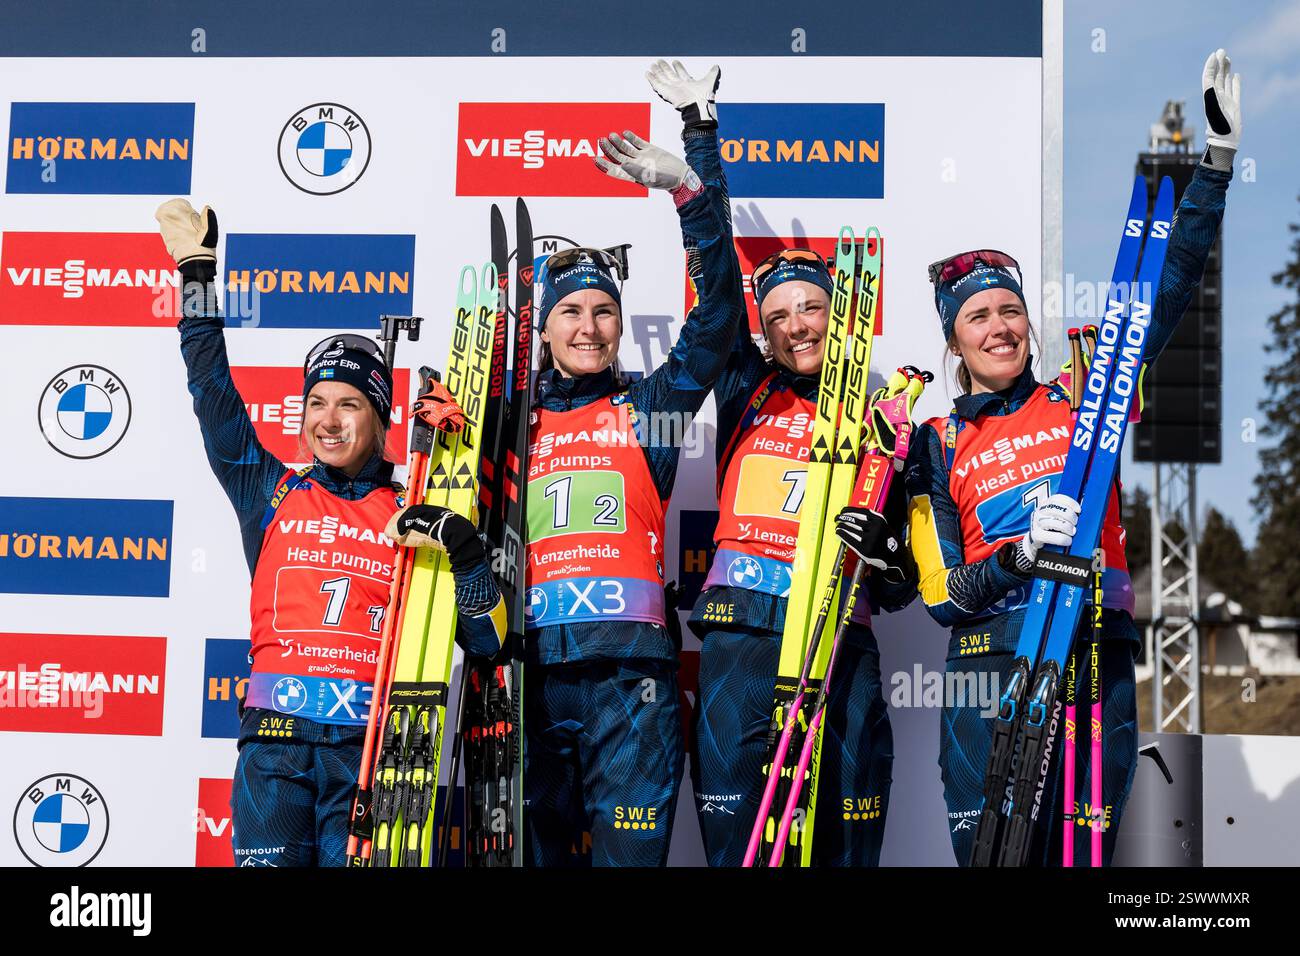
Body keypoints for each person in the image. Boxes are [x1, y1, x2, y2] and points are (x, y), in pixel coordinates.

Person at [903, 49, 1240, 866]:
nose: (1000, 328)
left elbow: (1164, 288)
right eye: (978, 316)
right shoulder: (934, 442)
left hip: (1093, 645)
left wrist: (1217, 165)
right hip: (992, 665)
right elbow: (943, 596)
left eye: (1010, 311)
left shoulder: (1088, 382)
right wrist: (1019, 558)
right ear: (954, 339)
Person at [156, 199, 504, 867]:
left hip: (371, 760)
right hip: (274, 755)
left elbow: (486, 638)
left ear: (381, 419)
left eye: (350, 404)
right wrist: (197, 272)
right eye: (317, 402)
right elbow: (213, 394)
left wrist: (462, 548)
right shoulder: (272, 490)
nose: (329, 420)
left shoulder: (413, 509)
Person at [662, 54, 917, 865]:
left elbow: (907, 583)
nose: (800, 324)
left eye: (814, 306)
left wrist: (885, 557)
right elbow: (714, 287)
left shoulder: (884, 412)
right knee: (742, 837)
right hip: (743, 631)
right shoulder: (743, 385)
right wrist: (701, 136)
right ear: (763, 331)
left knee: (846, 837)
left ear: (842, 312)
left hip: (840, 631)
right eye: (781, 314)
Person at [521, 66, 739, 867]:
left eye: (603, 310)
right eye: (569, 312)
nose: (588, 326)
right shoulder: (513, 425)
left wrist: (691, 180)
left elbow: (718, 316)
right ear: (543, 331)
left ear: (620, 325)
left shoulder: (648, 407)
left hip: (634, 686)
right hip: (535, 677)